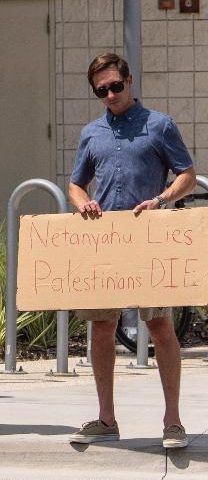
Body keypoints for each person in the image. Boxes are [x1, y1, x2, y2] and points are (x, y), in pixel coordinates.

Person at [67, 52, 197, 449]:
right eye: (101, 90)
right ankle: (106, 418)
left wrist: (160, 200)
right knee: (102, 328)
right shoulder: (92, 132)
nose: (110, 95)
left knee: (160, 326)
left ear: (130, 81)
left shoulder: (159, 125)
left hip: (148, 240)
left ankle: (172, 421)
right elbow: (76, 184)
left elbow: (187, 176)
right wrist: (81, 202)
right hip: (105, 241)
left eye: (115, 86)